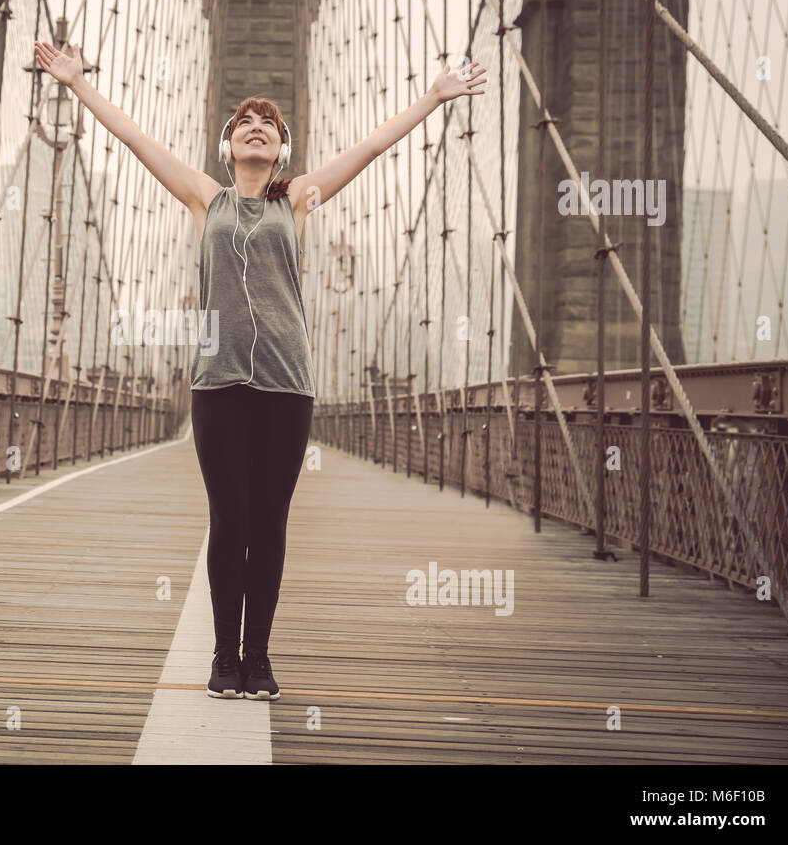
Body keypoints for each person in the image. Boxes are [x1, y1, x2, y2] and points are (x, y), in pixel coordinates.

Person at [34, 39, 486, 700]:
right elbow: (135, 139)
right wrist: (76, 86)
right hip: (217, 384)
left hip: (286, 385)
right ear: (229, 145)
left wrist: (432, 98)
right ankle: (223, 656)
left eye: (268, 124)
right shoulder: (205, 199)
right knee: (229, 518)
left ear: (282, 148)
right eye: (244, 121)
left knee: (269, 521)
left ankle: (259, 658)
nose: (256, 127)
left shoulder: (297, 200)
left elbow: (370, 149)